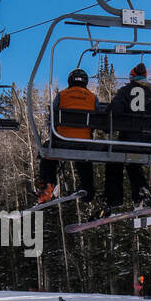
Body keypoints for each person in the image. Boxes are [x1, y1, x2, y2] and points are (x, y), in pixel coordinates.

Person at [99, 64, 151, 218]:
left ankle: (114, 198)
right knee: (134, 163)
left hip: (128, 141)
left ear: (132, 77)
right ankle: (141, 193)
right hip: (149, 143)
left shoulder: (125, 92)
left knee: (114, 160)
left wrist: (107, 128)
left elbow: (114, 112)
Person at [37, 68, 97, 206]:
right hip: (84, 142)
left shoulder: (62, 95)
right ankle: (87, 189)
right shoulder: (92, 98)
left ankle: (47, 188)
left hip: (62, 140)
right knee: (84, 159)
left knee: (47, 156)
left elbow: (51, 117)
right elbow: (97, 117)